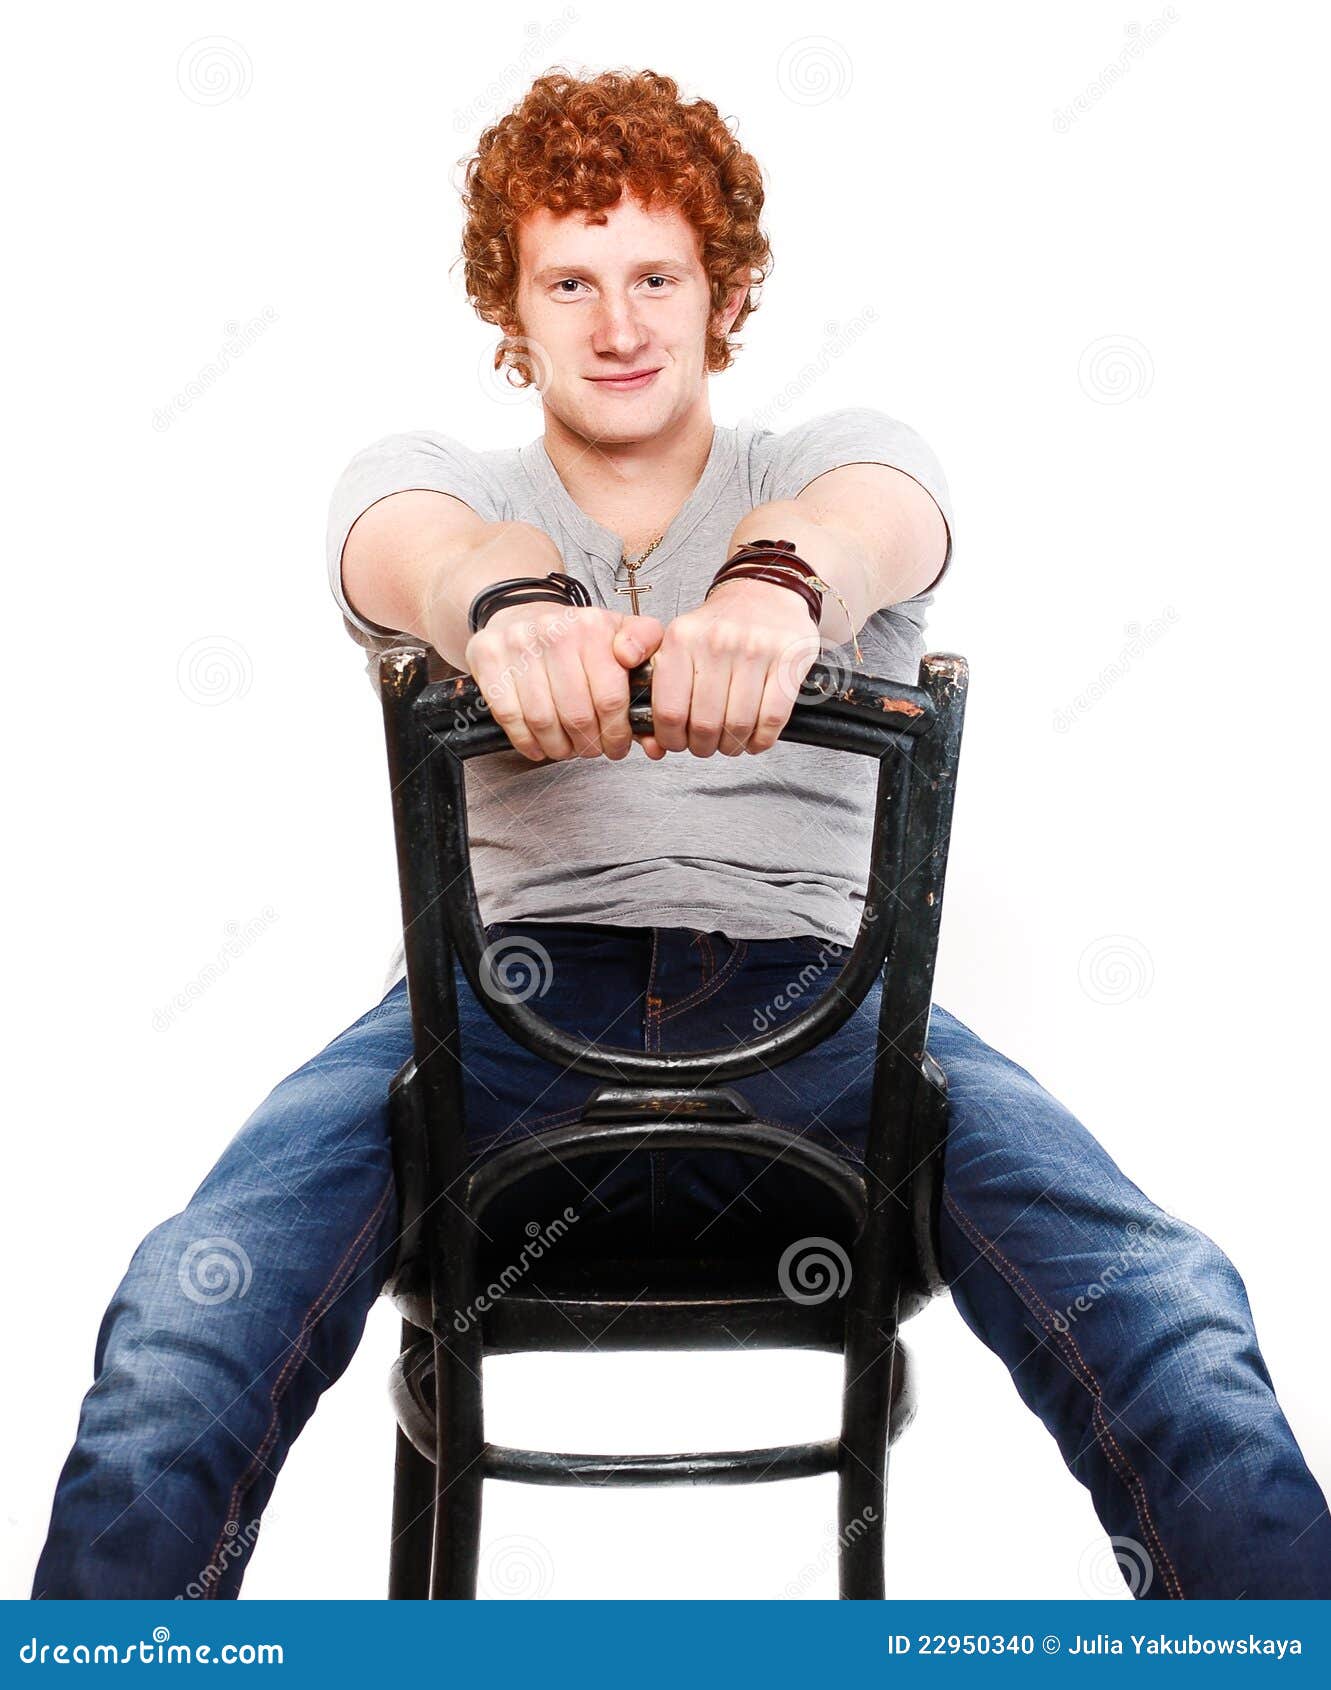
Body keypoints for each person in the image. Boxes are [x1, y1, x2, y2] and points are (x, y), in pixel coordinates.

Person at [33, 66, 1329, 1603]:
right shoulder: (446, 483)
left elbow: (883, 509)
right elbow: (415, 545)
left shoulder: (827, 461)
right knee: (185, 1308)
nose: (620, 322)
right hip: (490, 1017)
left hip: (828, 1009)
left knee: (1171, 1297)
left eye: (658, 275)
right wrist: (506, 606)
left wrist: (780, 586)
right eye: (568, 281)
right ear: (509, 309)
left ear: (724, 293)